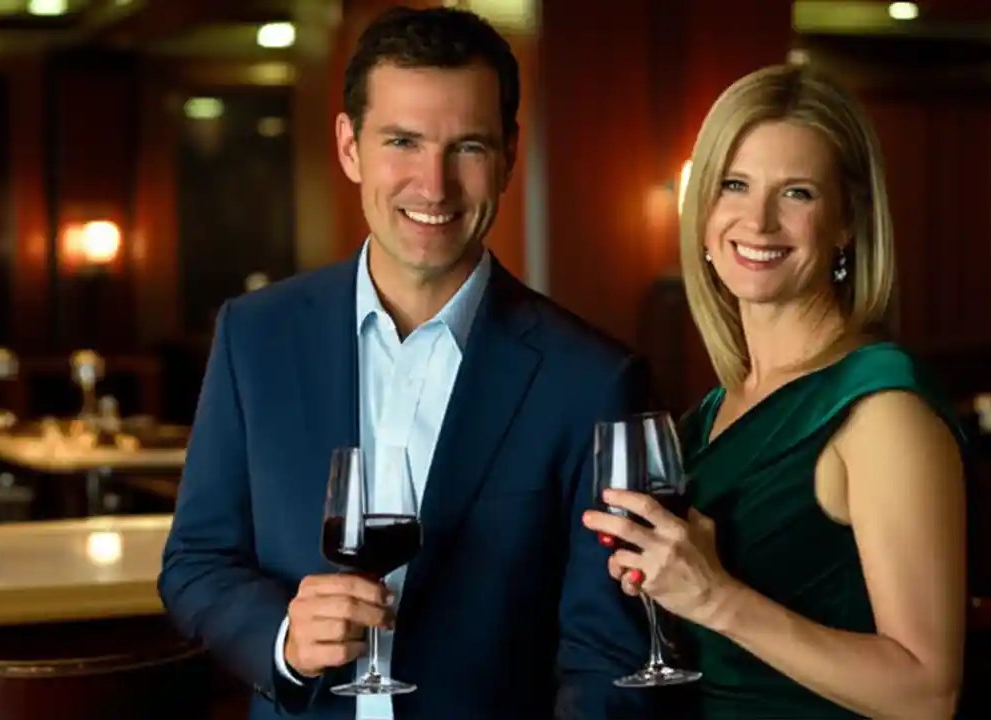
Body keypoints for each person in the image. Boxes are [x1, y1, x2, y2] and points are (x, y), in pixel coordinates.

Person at [159, 7, 655, 720]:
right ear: (349, 146)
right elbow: (196, 562)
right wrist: (284, 640)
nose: (434, 185)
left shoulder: (592, 379)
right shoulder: (254, 336)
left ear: (510, 155)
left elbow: (603, 656)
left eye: (468, 147)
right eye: (402, 141)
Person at [583, 64, 967, 719]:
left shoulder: (882, 409)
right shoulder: (709, 414)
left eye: (797, 193)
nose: (758, 221)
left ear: (847, 222)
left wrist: (714, 597)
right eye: (734, 185)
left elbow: (927, 695)